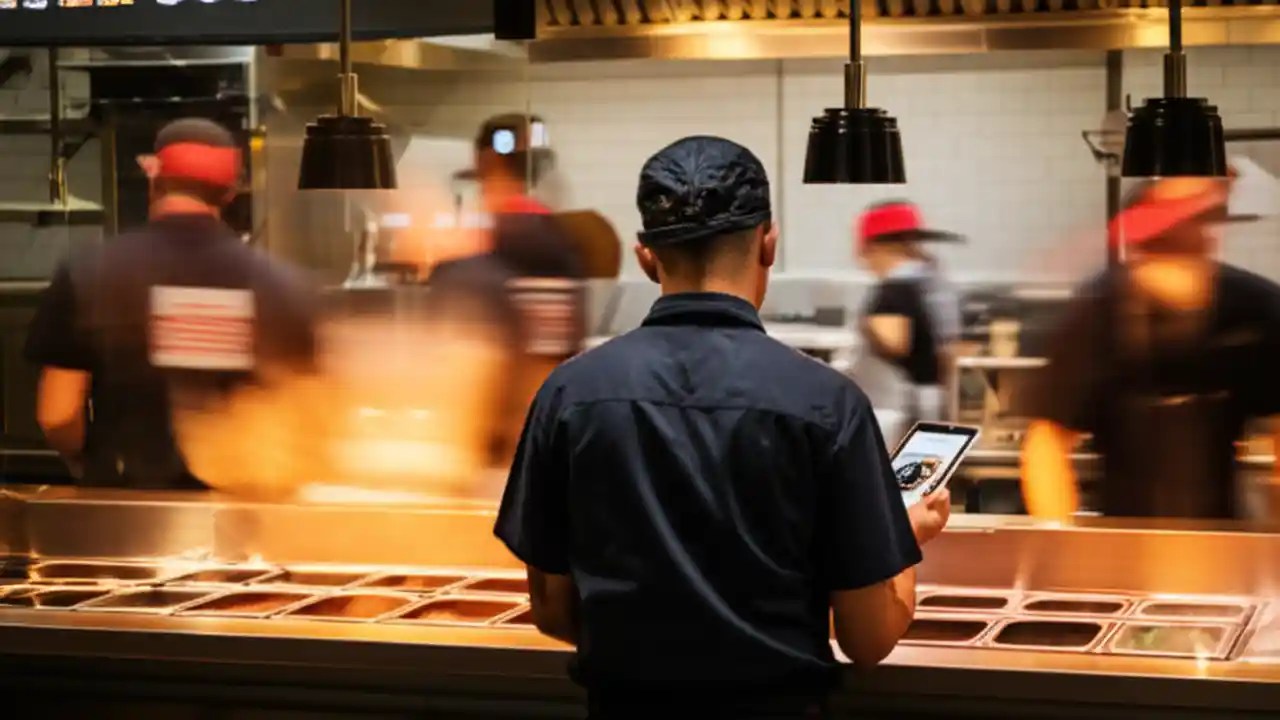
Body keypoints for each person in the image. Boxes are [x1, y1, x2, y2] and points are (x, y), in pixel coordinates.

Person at [495, 136, 951, 719]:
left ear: (645, 256)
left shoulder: (569, 394)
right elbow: (868, 640)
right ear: (769, 244)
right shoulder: (828, 404)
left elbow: (554, 611)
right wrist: (902, 542)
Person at [25, 118, 318, 490]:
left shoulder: (89, 273)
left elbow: (57, 415)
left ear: (155, 182)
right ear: (229, 193)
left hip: (121, 510)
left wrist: (90, 466)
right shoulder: (283, 286)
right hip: (241, 513)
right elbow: (307, 419)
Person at [1022, 177, 1280, 521]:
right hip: (1125, 539)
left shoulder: (1253, 307)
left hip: (1223, 537)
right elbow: (1047, 444)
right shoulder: (1098, 312)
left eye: (1202, 220)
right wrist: (1059, 539)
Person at [856, 200, 964, 423]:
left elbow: (896, 344)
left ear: (875, 247)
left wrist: (866, 326)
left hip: (899, 411)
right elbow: (951, 351)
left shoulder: (893, 291)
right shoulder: (933, 283)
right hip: (932, 401)